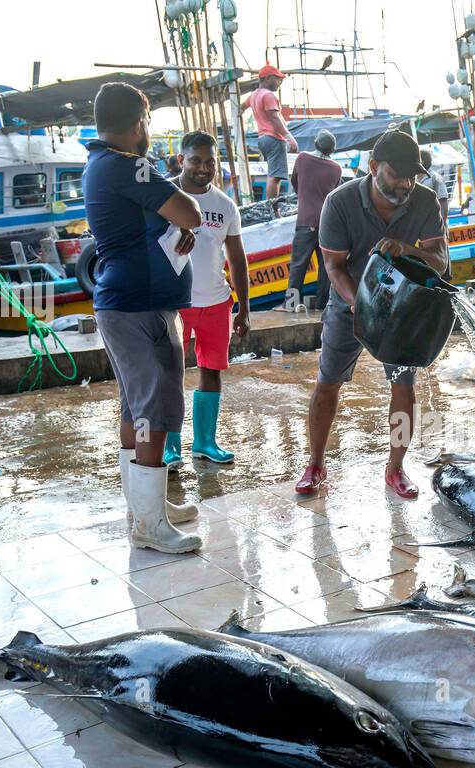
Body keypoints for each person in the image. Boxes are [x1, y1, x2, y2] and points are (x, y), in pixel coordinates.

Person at [83, 82, 204, 554]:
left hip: (131, 302)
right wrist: (179, 219)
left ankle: (146, 506)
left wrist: (170, 228)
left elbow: (157, 222)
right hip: (136, 306)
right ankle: (149, 526)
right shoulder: (128, 165)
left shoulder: (101, 164)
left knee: (136, 408)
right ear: (138, 123)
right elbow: (190, 211)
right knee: (151, 409)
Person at [295, 130, 449, 499]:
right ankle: (315, 462)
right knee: (328, 381)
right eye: (398, 174)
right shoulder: (339, 202)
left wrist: (408, 250)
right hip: (349, 301)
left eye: (413, 176)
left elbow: (441, 262)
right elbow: (333, 267)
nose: (407, 184)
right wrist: (360, 306)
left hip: (404, 308)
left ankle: (396, 468)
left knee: (404, 386)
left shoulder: (425, 201)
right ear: (374, 166)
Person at [159, 131, 251, 470]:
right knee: (170, 372)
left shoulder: (225, 206)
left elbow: (238, 259)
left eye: (209, 161)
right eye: (195, 160)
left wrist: (244, 308)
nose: (203, 168)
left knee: (211, 370)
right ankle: (169, 445)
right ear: (181, 159)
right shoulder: (163, 194)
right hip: (174, 302)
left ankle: (205, 442)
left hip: (216, 302)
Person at [287, 128, 342, 311]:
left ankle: (291, 303)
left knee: (298, 265)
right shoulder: (336, 168)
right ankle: (321, 305)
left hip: (305, 221)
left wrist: (303, 194)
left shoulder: (302, 158)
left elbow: (295, 181)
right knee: (326, 267)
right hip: (327, 224)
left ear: (316, 143)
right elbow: (336, 193)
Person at [244, 64, 299, 200]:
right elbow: (274, 119)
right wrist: (289, 137)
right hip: (273, 137)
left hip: (262, 138)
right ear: (267, 78)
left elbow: (242, 106)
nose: (279, 82)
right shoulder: (268, 96)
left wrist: (239, 112)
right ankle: (273, 209)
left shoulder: (254, 95)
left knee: (272, 174)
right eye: (277, 79)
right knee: (275, 177)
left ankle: (272, 207)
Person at [419, 147, 451, 225]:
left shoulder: (436, 178)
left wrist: (442, 224)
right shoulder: (413, 179)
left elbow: (443, 202)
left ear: (422, 161)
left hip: (434, 224)